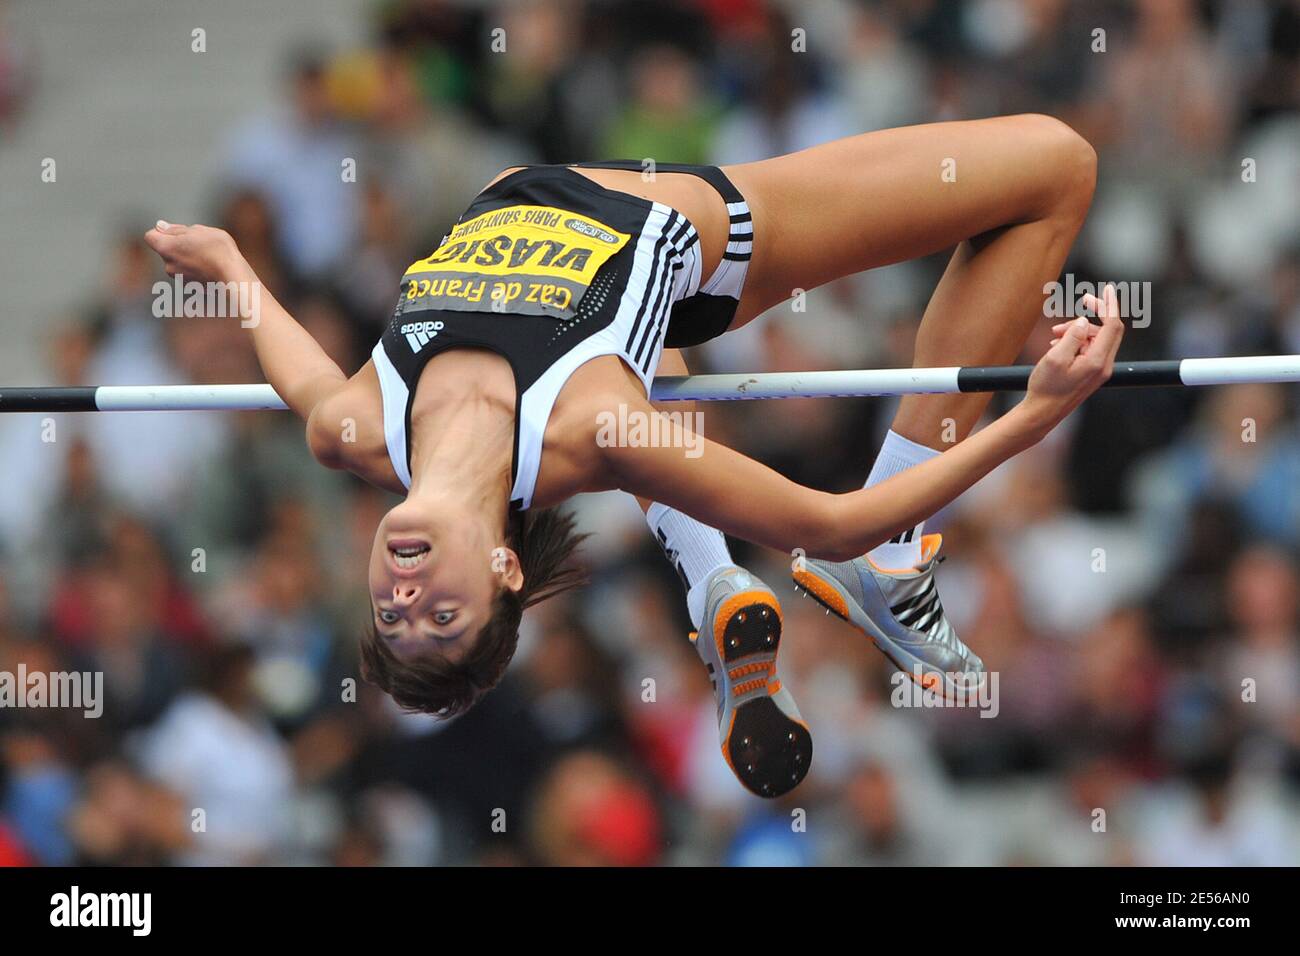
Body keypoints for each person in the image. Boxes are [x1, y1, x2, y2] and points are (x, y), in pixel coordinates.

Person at [144, 115, 1122, 798]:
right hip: (722, 230)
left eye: (391, 616)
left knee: (653, 368)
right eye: (441, 615)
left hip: (558, 201)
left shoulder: (353, 429)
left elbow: (291, 362)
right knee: (1053, 167)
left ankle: (708, 581)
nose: (405, 598)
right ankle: (887, 559)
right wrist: (1029, 418)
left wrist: (230, 265)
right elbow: (822, 521)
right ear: (502, 569)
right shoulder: (598, 429)